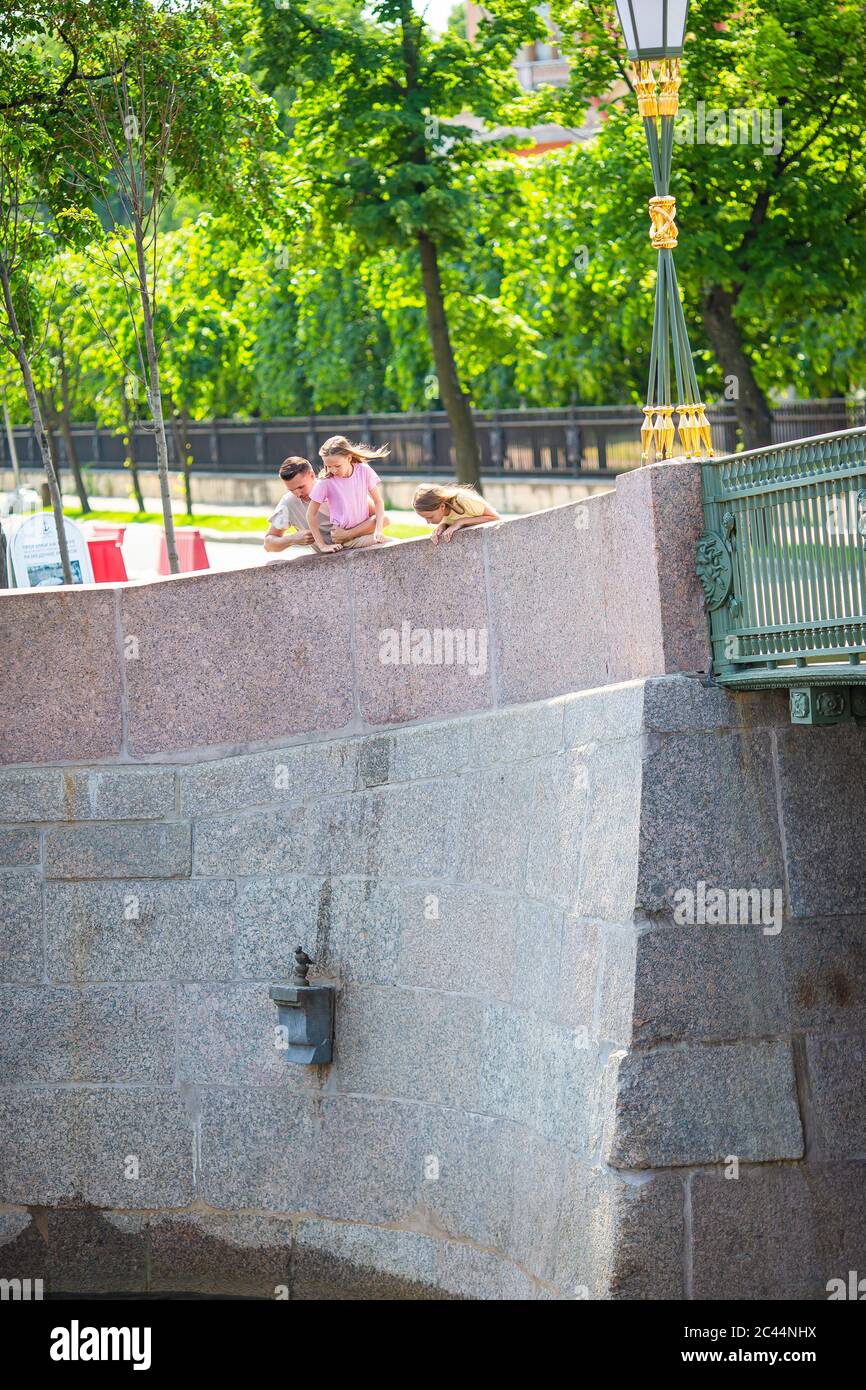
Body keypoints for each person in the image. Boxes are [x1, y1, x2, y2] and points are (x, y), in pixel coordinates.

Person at [307, 436, 388, 554]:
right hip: (345, 539)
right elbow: (310, 515)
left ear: (349, 458)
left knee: (389, 531)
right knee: (395, 544)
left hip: (364, 530)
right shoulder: (325, 482)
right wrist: (322, 545)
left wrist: (378, 530)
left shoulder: (363, 470)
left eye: (337, 466)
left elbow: (378, 502)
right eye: (329, 466)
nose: (333, 470)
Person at [412, 483, 500, 544]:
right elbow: (450, 519)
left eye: (430, 517)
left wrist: (461, 522)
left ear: (442, 506)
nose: (428, 522)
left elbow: (496, 518)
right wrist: (443, 526)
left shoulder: (463, 500)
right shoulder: (441, 514)